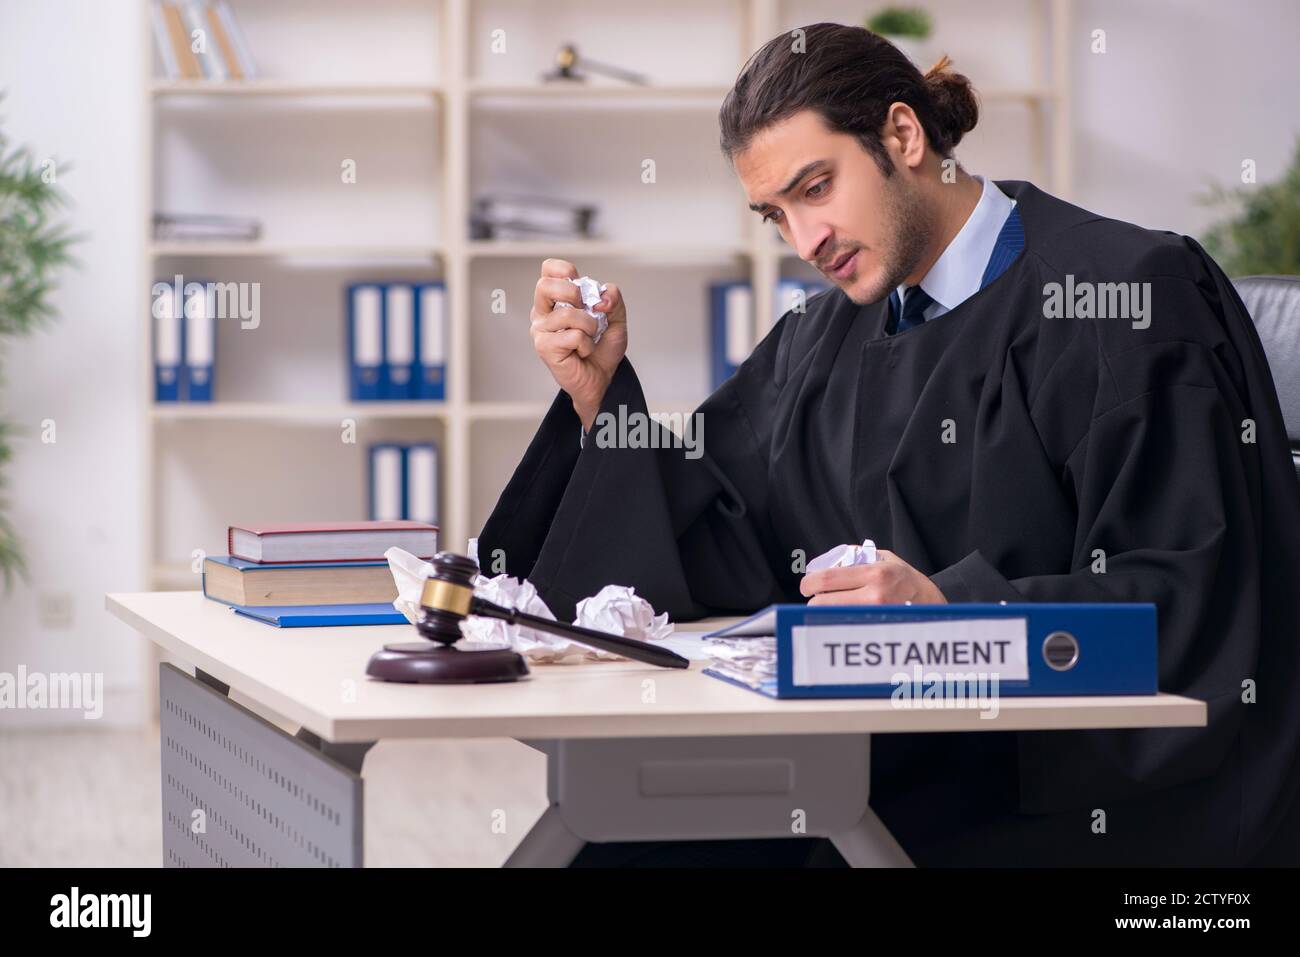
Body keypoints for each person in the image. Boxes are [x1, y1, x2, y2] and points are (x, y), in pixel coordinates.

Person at [479, 22, 1300, 866]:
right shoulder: (822, 333)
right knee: (617, 838)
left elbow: (1185, 598)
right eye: (777, 214)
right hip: (873, 758)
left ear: (903, 136)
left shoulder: (1126, 299)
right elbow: (718, 525)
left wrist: (951, 615)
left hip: (1063, 795)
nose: (805, 241)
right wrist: (600, 396)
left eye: (817, 187)